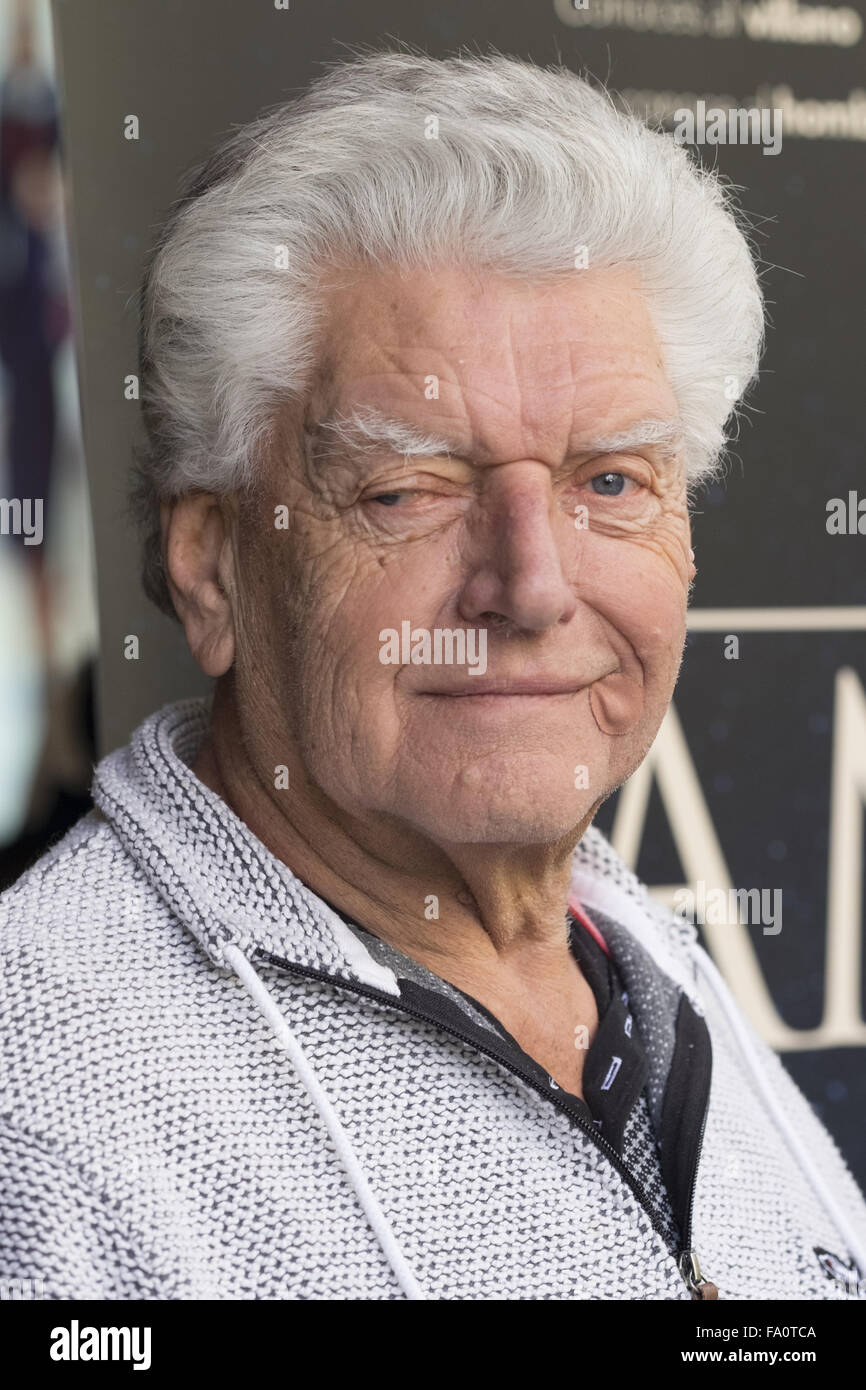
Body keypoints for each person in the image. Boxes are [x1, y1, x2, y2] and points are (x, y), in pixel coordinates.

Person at [1, 51, 864, 1302]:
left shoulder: (626, 947)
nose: (530, 586)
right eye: (405, 491)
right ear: (214, 570)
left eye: (608, 482)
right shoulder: (42, 1102)